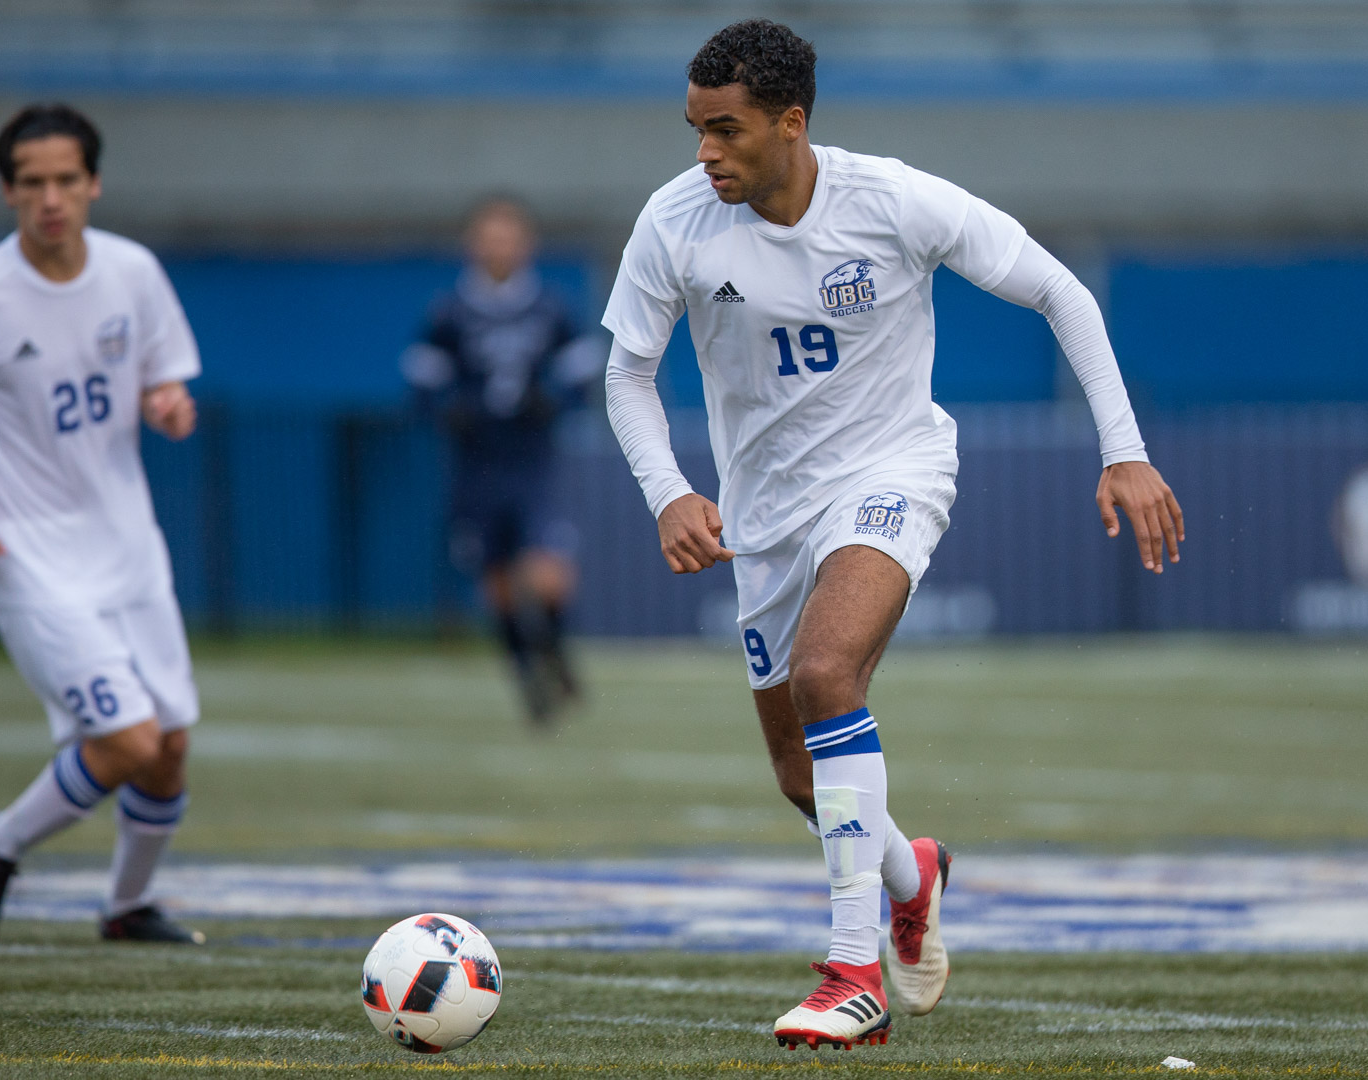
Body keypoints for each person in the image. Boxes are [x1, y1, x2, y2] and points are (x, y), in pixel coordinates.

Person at [602, 20, 1184, 1048]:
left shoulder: (893, 200)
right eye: (695, 130)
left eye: (726, 131)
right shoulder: (675, 222)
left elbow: (1059, 289)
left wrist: (1123, 449)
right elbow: (627, 372)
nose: (705, 153)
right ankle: (913, 875)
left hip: (891, 473)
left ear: (790, 125)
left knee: (830, 676)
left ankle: (851, 973)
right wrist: (667, 491)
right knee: (799, 774)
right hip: (765, 516)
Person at [0, 103, 206, 944]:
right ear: (9, 193)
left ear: (93, 183)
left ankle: (126, 907)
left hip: (128, 546)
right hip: (31, 558)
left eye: (65, 180)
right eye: (32, 184)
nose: (50, 198)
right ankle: (1, 840)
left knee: (168, 745)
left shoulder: (132, 273)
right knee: (127, 741)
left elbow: (165, 385)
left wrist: (167, 405)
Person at [401, 198, 601, 726]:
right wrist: (449, 411)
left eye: (508, 236)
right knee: (496, 579)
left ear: (526, 243)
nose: (498, 246)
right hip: (476, 463)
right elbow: (421, 384)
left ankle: (555, 652)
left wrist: (554, 401)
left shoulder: (551, 306)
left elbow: (583, 375)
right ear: (473, 243)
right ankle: (526, 677)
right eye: (489, 236)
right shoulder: (449, 312)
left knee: (548, 573)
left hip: (533, 459)